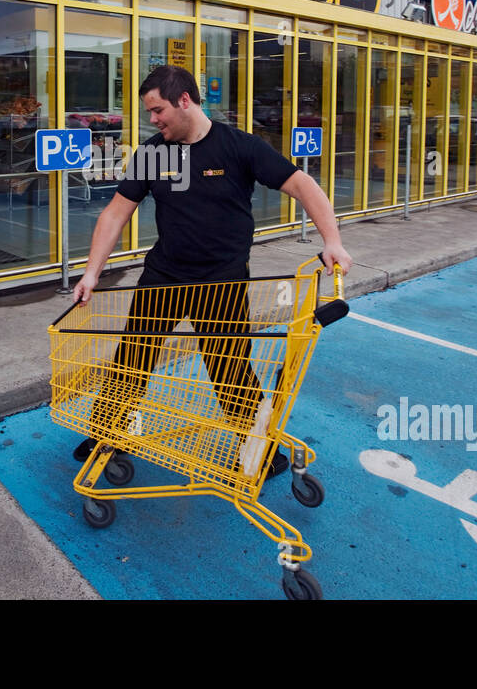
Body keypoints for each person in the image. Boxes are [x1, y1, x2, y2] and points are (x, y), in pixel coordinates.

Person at [69, 65, 354, 480]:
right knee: (134, 355)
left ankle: (259, 446)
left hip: (222, 281)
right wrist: (92, 272)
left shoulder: (240, 147)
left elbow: (303, 186)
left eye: (158, 110)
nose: (153, 120)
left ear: (185, 100)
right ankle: (106, 431)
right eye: (149, 113)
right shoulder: (154, 153)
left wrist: (332, 240)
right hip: (164, 275)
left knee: (229, 366)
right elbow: (116, 213)